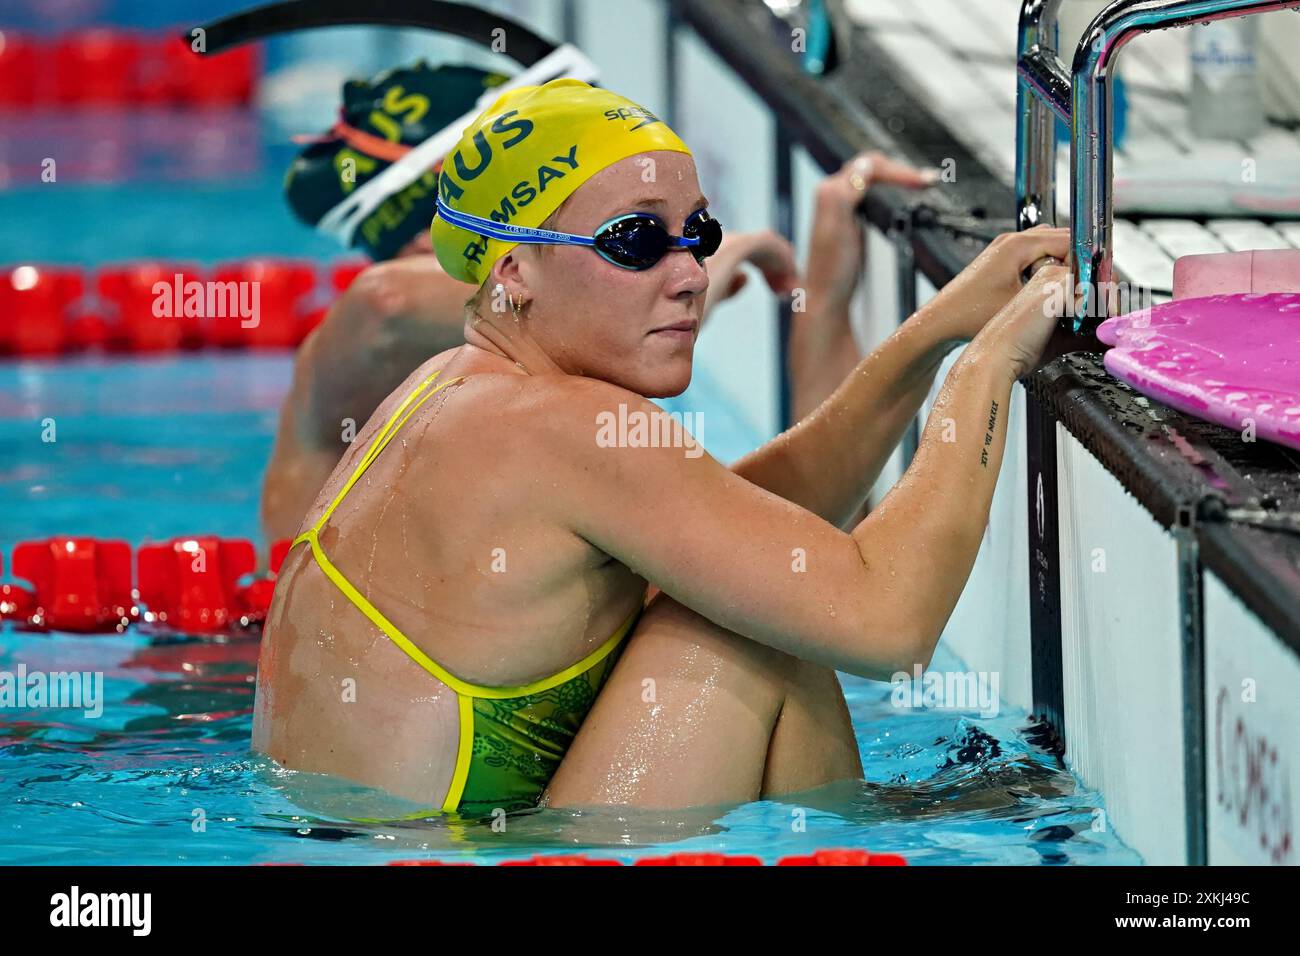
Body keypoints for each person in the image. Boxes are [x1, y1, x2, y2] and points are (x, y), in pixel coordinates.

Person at [252, 79, 1070, 815]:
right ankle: (863, 833)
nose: (689, 274)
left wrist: (935, 331)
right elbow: (888, 624)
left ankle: (865, 821)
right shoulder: (558, 426)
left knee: (754, 594)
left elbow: (745, 537)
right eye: (636, 243)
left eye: (698, 234)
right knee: (754, 632)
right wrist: (988, 364)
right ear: (513, 271)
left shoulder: (457, 389)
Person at [262, 61, 833, 544]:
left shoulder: (532, 378)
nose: (689, 274)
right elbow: (386, 300)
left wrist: (826, 302)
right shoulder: (373, 339)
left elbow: (782, 548)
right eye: (633, 241)